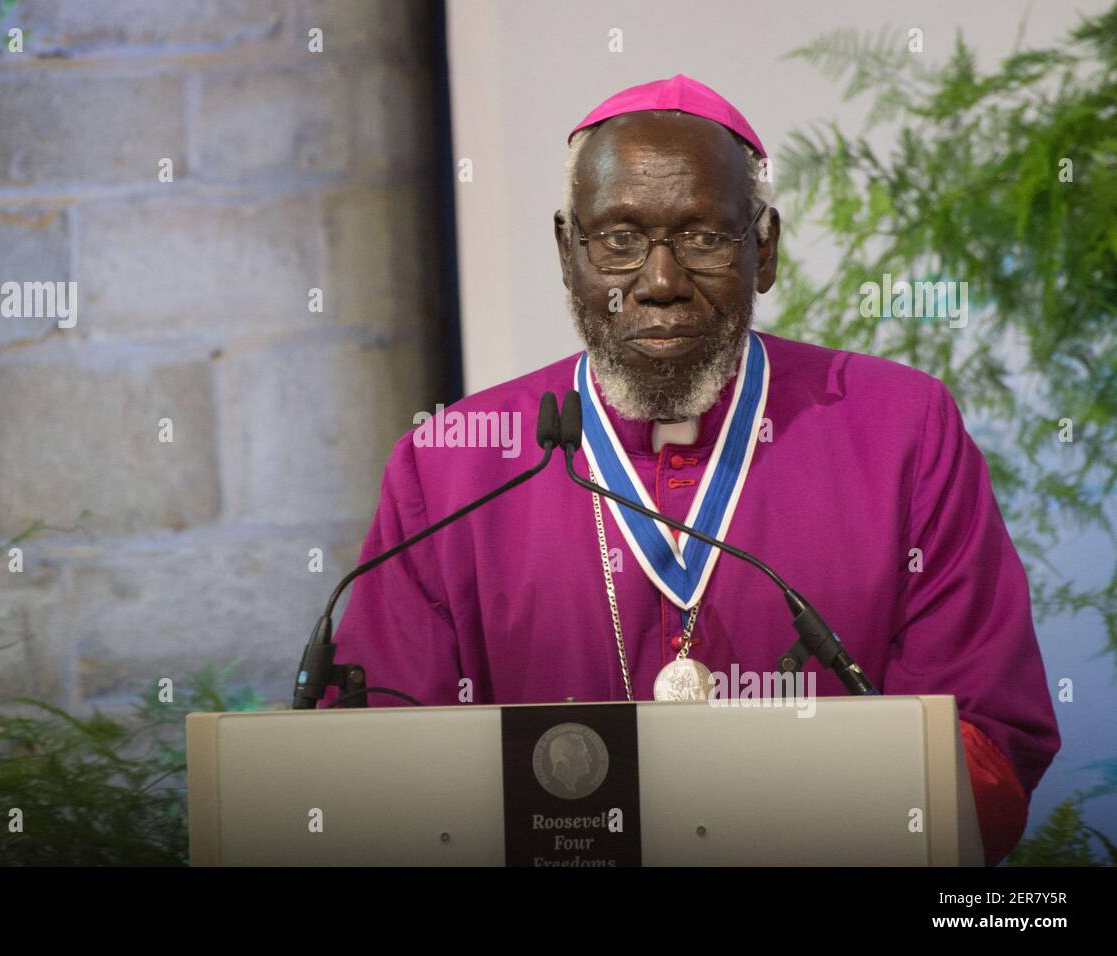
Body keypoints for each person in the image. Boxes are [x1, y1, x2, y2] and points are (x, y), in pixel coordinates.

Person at [322, 74, 1060, 866]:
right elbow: (379, 762)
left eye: (705, 236)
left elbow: (983, 737)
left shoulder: (900, 428)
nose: (662, 282)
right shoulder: (455, 463)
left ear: (765, 249)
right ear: (568, 253)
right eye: (619, 238)